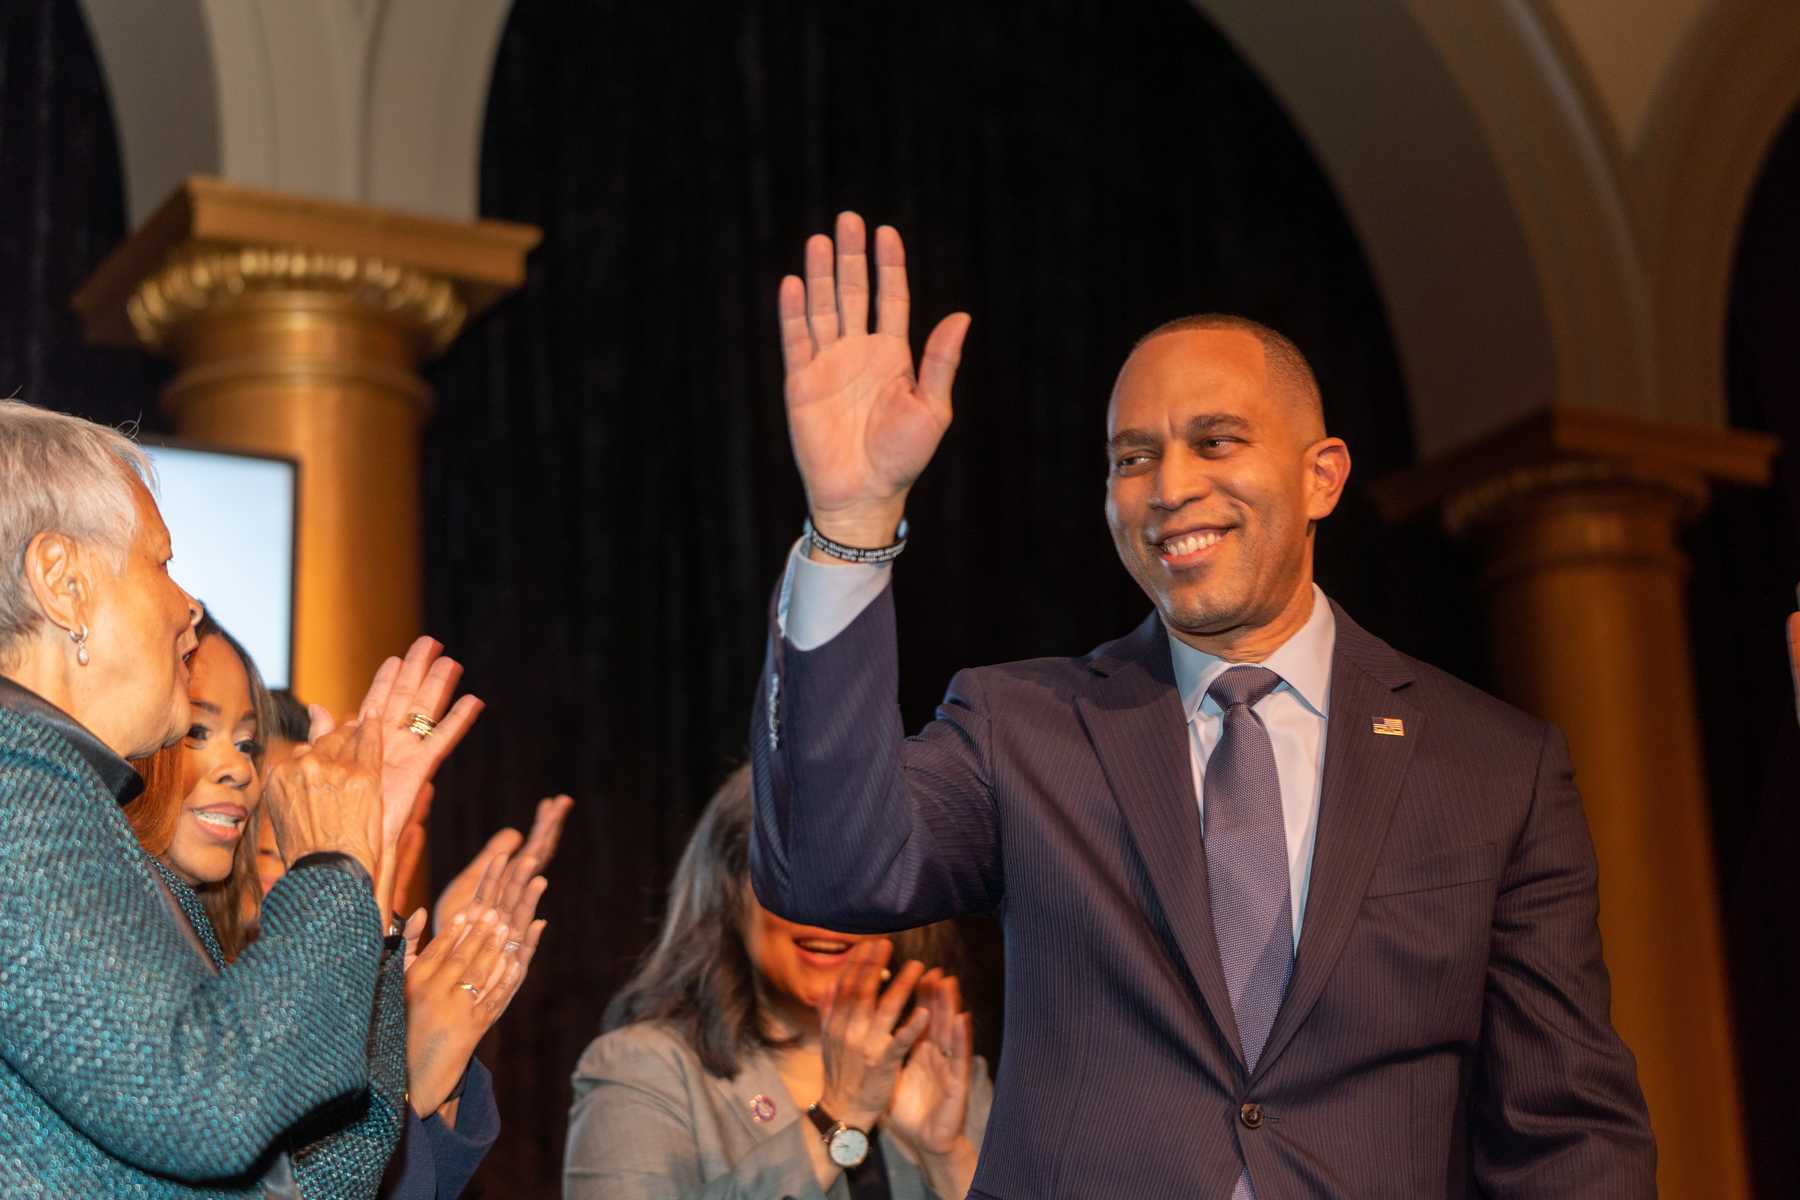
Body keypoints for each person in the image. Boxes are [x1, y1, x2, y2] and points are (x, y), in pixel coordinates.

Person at [747, 215, 1657, 1197]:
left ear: (1323, 477)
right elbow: (829, 873)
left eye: (1215, 441)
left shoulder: (1492, 768)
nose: (1170, 487)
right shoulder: (1023, 729)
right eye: (1132, 458)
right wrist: (849, 527)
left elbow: (1564, 1129)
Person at [0, 399, 402, 1193]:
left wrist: (366, 902)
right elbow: (213, 1102)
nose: (189, 606)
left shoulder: (83, 817)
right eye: (161, 562)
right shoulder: (18, 785)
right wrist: (329, 869)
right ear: (61, 581)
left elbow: (303, 1180)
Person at [122, 614, 566, 1198]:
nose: (239, 770)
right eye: (198, 733)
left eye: (247, 742)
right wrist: (406, 1081)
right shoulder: (117, 934)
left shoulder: (222, 947)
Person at [564, 764, 990, 1199]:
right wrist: (839, 1114)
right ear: (731, 892)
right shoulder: (642, 1068)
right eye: (797, 875)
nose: (827, 914)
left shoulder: (948, 1077)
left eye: (861, 878)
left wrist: (947, 1158)